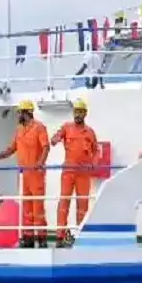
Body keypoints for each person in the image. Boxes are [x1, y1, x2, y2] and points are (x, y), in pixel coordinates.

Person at [0, 99, 50, 248]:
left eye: (20, 112)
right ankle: (27, 237)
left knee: (37, 208)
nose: (18, 115)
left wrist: (40, 163)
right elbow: (11, 149)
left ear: (27, 112)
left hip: (36, 174)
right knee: (26, 207)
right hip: (24, 174)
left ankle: (41, 237)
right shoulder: (19, 130)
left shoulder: (39, 128)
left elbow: (46, 147)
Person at [51, 98, 99, 245]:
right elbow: (56, 137)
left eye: (80, 112)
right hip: (68, 171)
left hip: (83, 173)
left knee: (82, 204)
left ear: (85, 114)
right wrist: (56, 138)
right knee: (64, 202)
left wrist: (94, 164)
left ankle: (80, 234)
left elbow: (96, 150)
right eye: (75, 111)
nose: (77, 114)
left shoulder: (90, 132)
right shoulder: (66, 127)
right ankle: (60, 235)